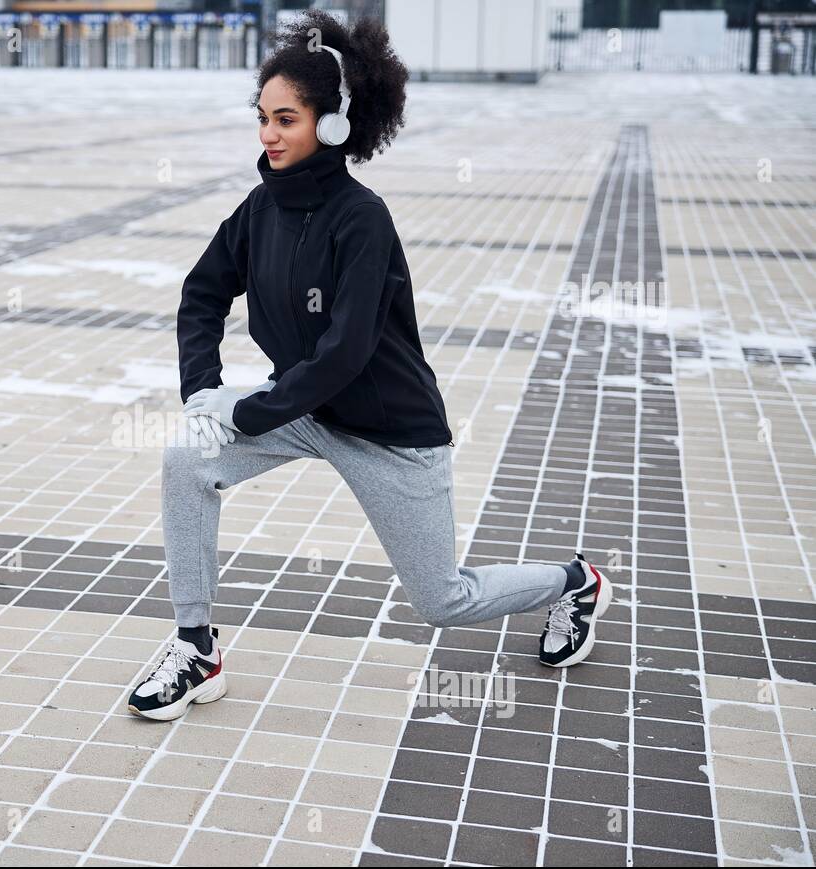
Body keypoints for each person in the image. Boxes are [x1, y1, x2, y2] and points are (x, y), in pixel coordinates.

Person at [127, 11, 610, 722]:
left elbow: (346, 354)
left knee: (443, 601)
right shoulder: (260, 210)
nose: (267, 134)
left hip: (391, 430)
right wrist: (203, 391)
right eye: (262, 117)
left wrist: (247, 408)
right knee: (188, 457)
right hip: (307, 410)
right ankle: (196, 647)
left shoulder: (362, 219)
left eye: (285, 118)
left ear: (331, 123)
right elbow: (202, 294)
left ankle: (576, 582)